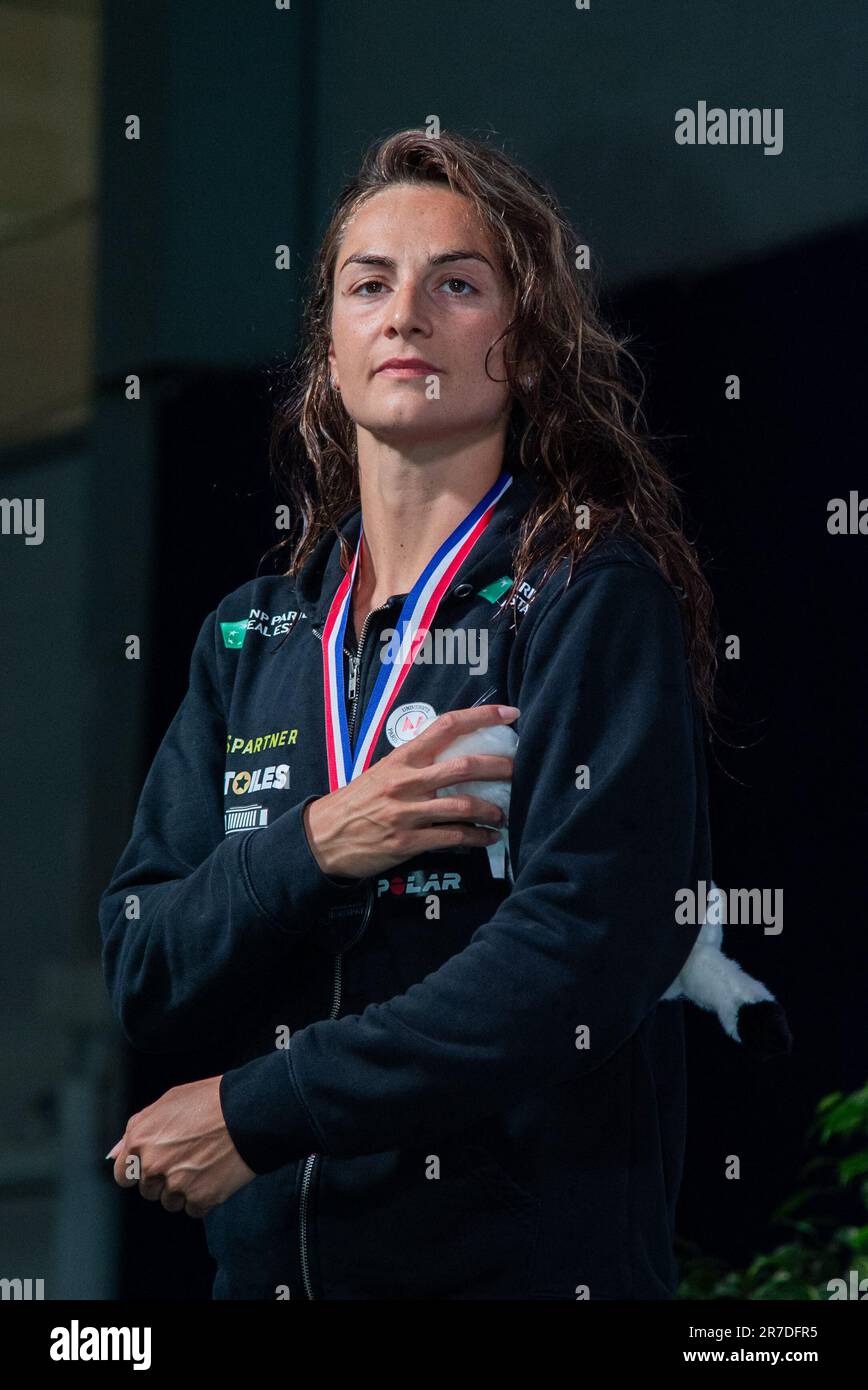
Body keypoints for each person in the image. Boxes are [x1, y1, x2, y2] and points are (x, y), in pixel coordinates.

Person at [100, 127, 716, 1300]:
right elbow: (144, 964)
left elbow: (582, 954)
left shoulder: (589, 593)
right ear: (328, 346)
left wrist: (258, 1109)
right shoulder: (252, 636)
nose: (406, 313)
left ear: (523, 349)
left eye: (458, 284)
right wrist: (319, 843)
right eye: (368, 283)